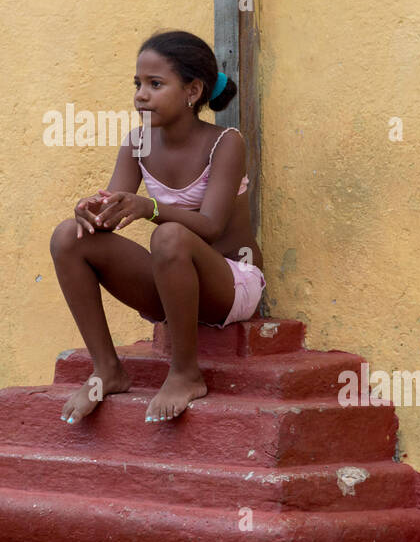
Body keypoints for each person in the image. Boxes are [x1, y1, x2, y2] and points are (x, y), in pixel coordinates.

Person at [49, 29, 266, 426]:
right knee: (68, 236)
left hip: (231, 283)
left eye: (155, 84)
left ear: (192, 90)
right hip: (174, 281)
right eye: (137, 84)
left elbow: (212, 227)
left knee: (167, 235)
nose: (141, 95)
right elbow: (111, 213)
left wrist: (149, 206)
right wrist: (91, 212)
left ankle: (186, 373)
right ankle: (107, 370)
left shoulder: (225, 142)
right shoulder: (137, 143)